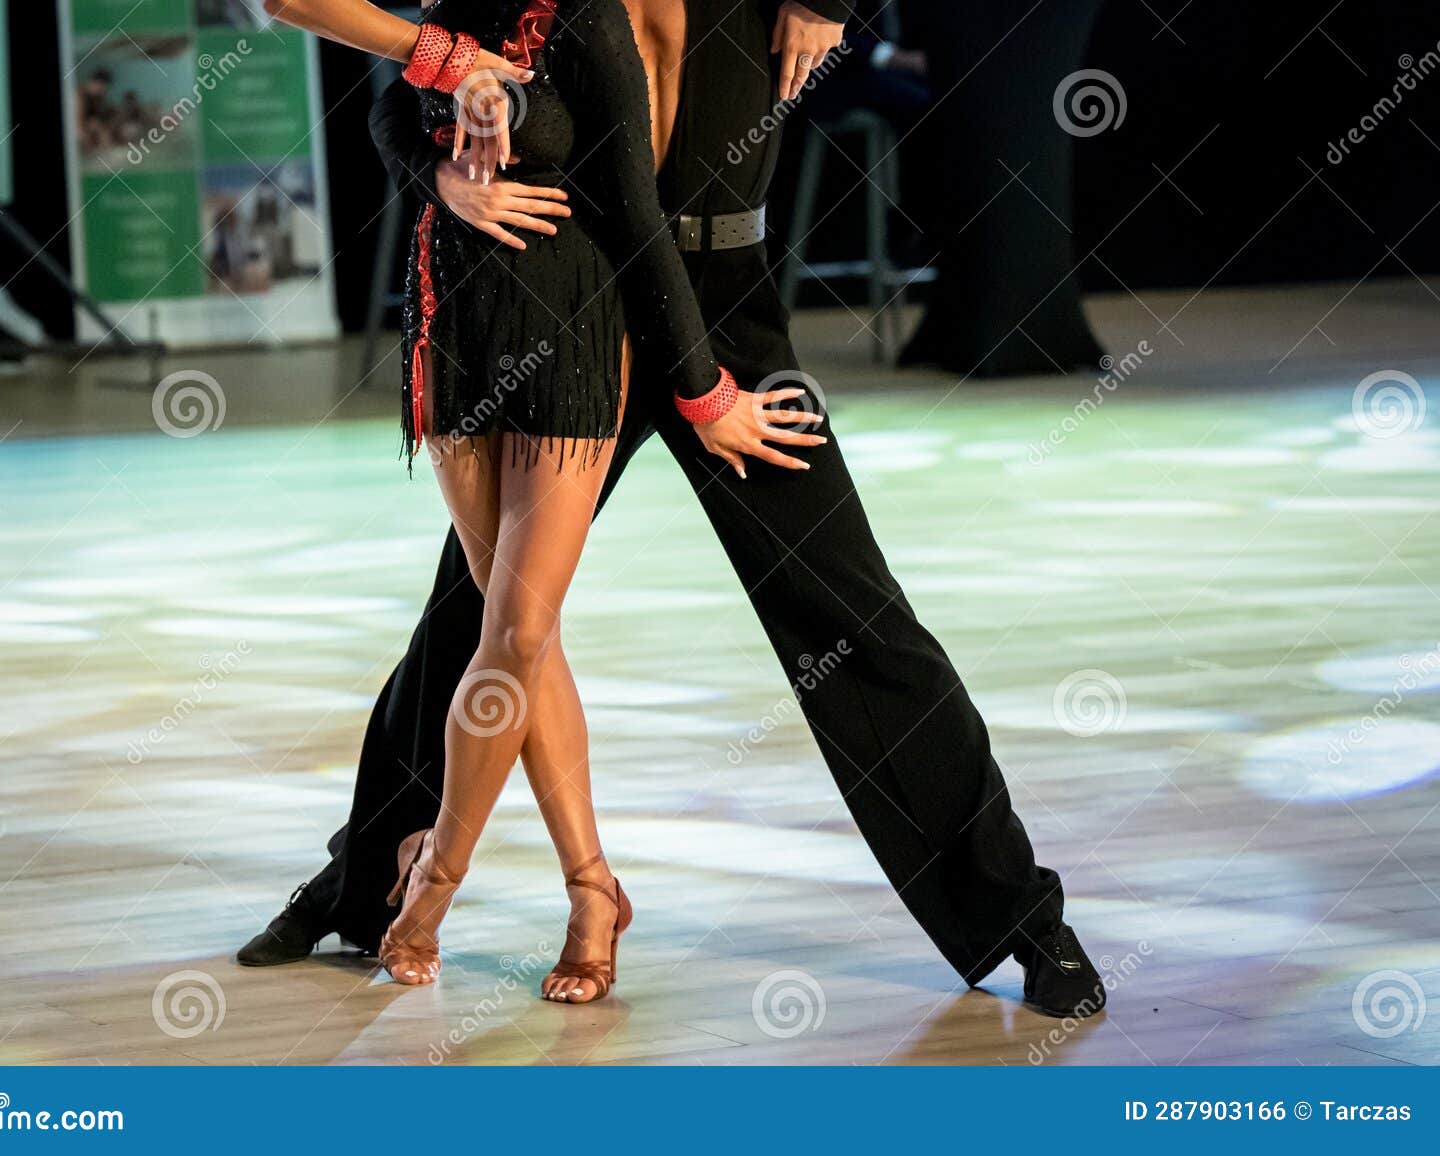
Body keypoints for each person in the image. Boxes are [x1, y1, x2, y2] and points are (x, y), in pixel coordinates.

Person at [242, 0, 1107, 1020]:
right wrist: (434, 176)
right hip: (572, 293)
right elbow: (417, 82)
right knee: (471, 622)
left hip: (722, 304)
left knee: (852, 614)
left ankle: (1019, 917)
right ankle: (360, 886)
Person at [260, 0, 823, 1004]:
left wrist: (703, 392)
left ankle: (430, 881)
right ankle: (593, 887)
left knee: (515, 626)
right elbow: (389, 113)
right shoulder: (447, 17)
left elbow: (639, 213)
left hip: (570, 324)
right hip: (451, 317)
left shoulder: (590, 21)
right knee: (523, 634)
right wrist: (439, 177)